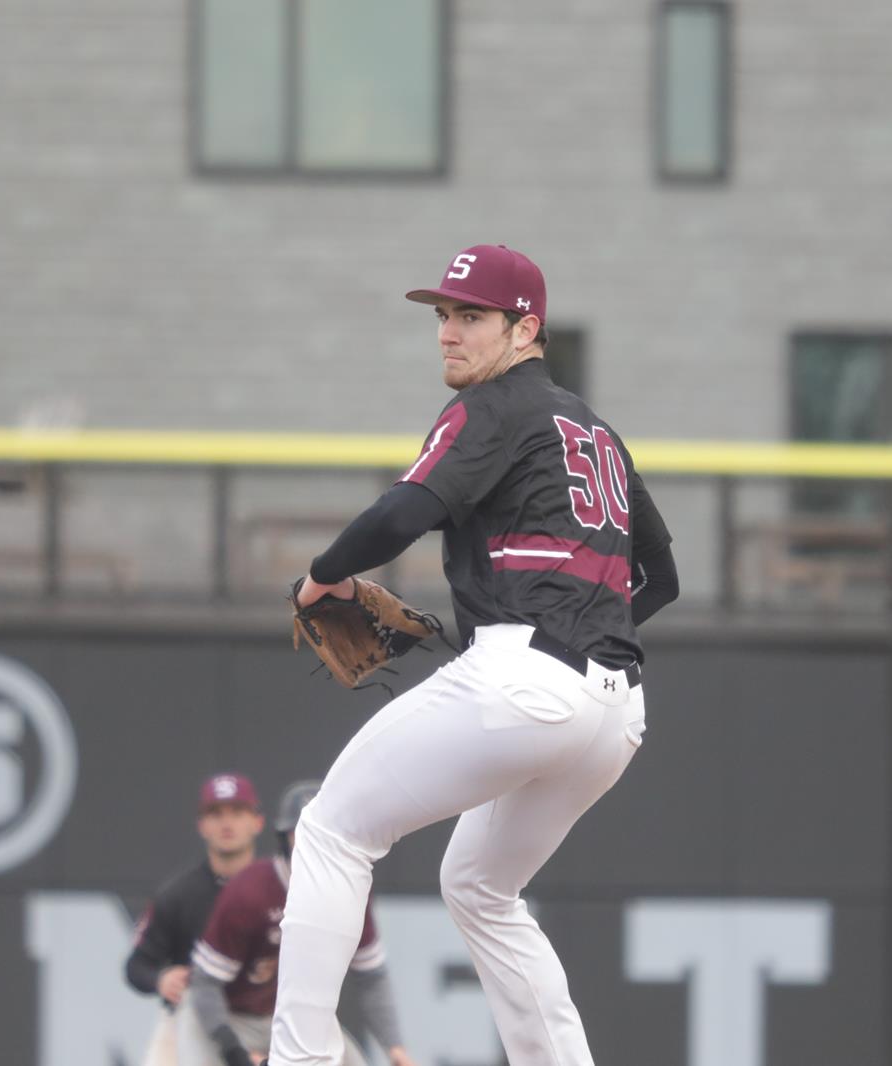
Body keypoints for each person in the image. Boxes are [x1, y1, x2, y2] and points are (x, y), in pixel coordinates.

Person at [268, 244, 679, 1066]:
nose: (450, 333)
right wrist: (576, 630)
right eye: (444, 316)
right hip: (615, 709)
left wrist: (321, 579)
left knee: (332, 830)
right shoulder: (594, 430)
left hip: (525, 679)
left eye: (472, 316)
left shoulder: (493, 408)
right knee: (482, 888)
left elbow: (403, 512)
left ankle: (299, 1060)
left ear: (526, 328)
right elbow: (659, 576)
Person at [185, 780, 415, 1066]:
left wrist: (395, 1048)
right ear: (285, 836)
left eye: (325, 831)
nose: (315, 840)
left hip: (296, 1015)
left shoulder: (350, 890)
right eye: (304, 831)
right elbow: (205, 985)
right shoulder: (250, 890)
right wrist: (234, 1050)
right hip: (231, 1020)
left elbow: (371, 977)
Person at [128, 772, 266, 1066]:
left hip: (262, 1021)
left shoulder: (278, 891)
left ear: (257, 822)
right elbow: (136, 966)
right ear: (201, 825)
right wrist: (160, 978)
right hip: (191, 1020)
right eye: (216, 814)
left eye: (238, 812)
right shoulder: (178, 894)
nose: (227, 823)